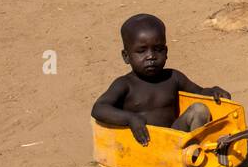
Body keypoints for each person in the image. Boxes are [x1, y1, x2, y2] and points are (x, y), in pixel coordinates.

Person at [91, 14, 230, 146]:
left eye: (158, 49)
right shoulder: (125, 84)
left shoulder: (173, 77)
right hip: (144, 143)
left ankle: (197, 151)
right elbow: (99, 108)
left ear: (166, 51)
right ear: (126, 56)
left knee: (199, 109)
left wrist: (213, 91)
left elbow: (198, 92)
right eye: (141, 51)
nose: (151, 56)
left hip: (175, 139)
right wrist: (130, 119)